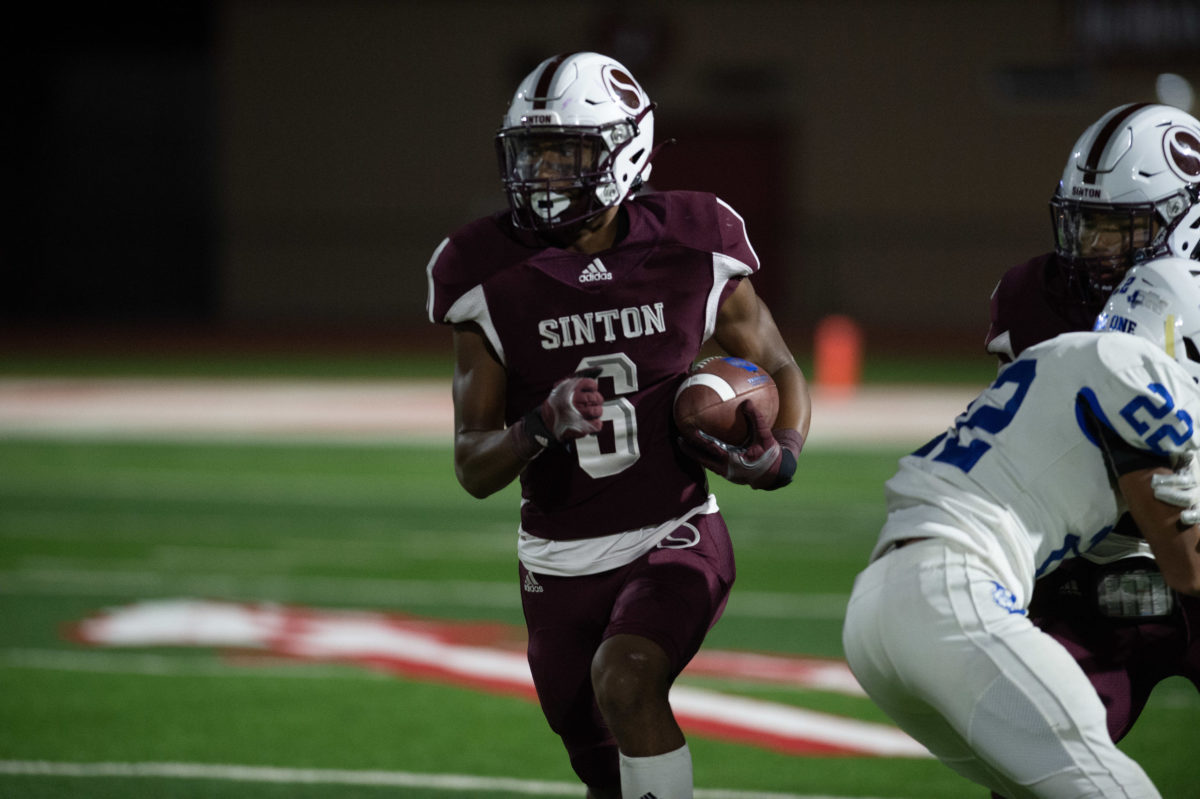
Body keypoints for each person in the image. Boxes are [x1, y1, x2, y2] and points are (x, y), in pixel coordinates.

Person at [425, 51, 810, 799]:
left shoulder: (696, 240)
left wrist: (782, 454)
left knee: (627, 679)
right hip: (557, 558)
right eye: (532, 154)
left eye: (567, 153)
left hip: (676, 532)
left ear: (626, 147)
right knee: (602, 759)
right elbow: (472, 466)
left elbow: (782, 367)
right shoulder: (482, 269)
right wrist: (539, 423)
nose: (544, 175)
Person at [841, 255, 1200, 798]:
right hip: (954, 593)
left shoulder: (1068, 352)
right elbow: (1188, 566)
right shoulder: (1140, 370)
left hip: (880, 607)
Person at [983, 103, 1200, 774]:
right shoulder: (1032, 295)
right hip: (1092, 573)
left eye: (1121, 228)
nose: (1094, 250)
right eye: (1085, 225)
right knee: (1033, 765)